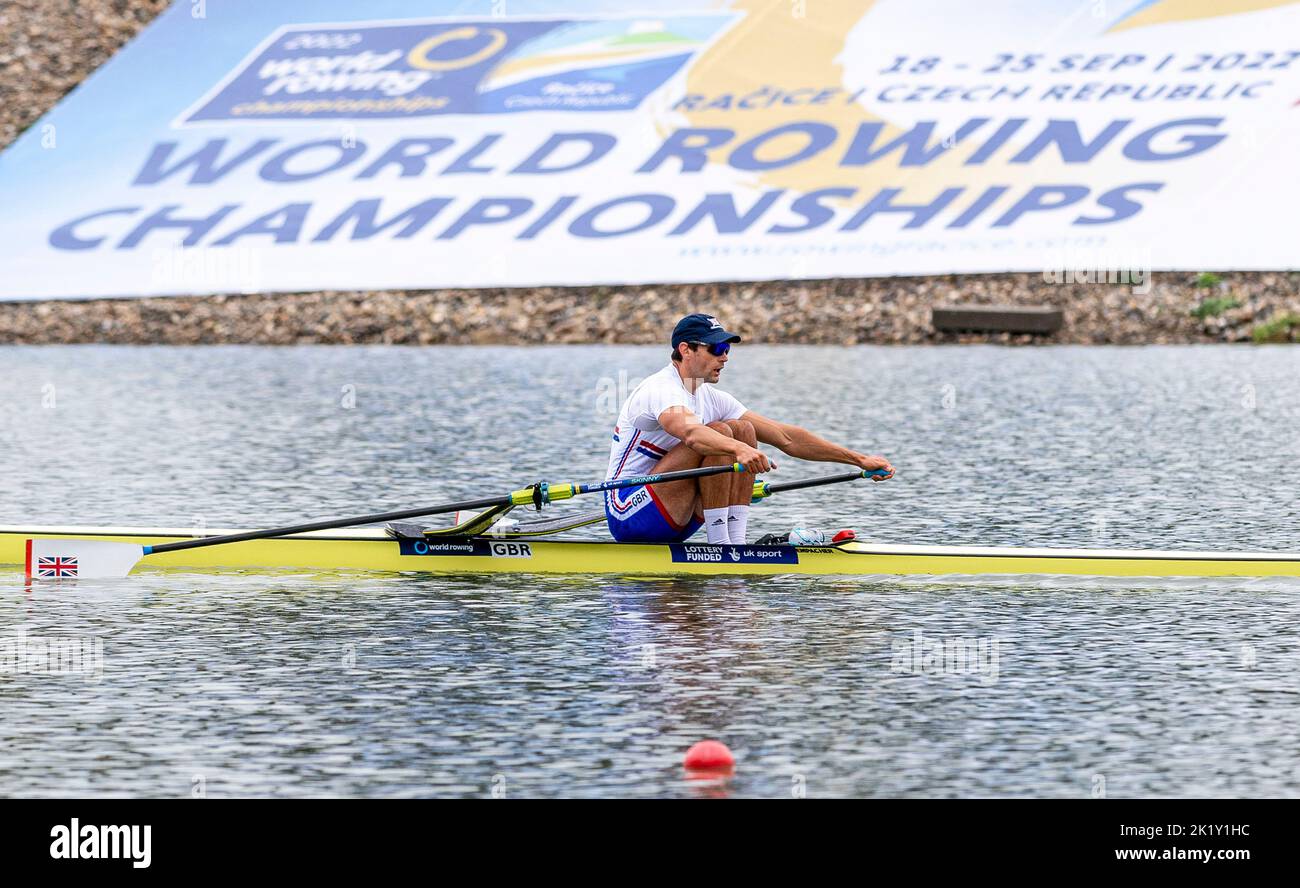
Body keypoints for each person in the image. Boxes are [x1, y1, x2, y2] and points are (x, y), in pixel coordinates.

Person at [604, 313, 894, 545]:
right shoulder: (660, 390)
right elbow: (692, 433)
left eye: (727, 349)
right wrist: (739, 451)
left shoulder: (711, 398)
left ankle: (734, 543)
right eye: (716, 348)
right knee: (722, 433)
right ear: (685, 350)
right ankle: (722, 547)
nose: (725, 357)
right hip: (629, 511)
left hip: (675, 514)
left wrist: (858, 459)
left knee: (743, 429)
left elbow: (787, 438)